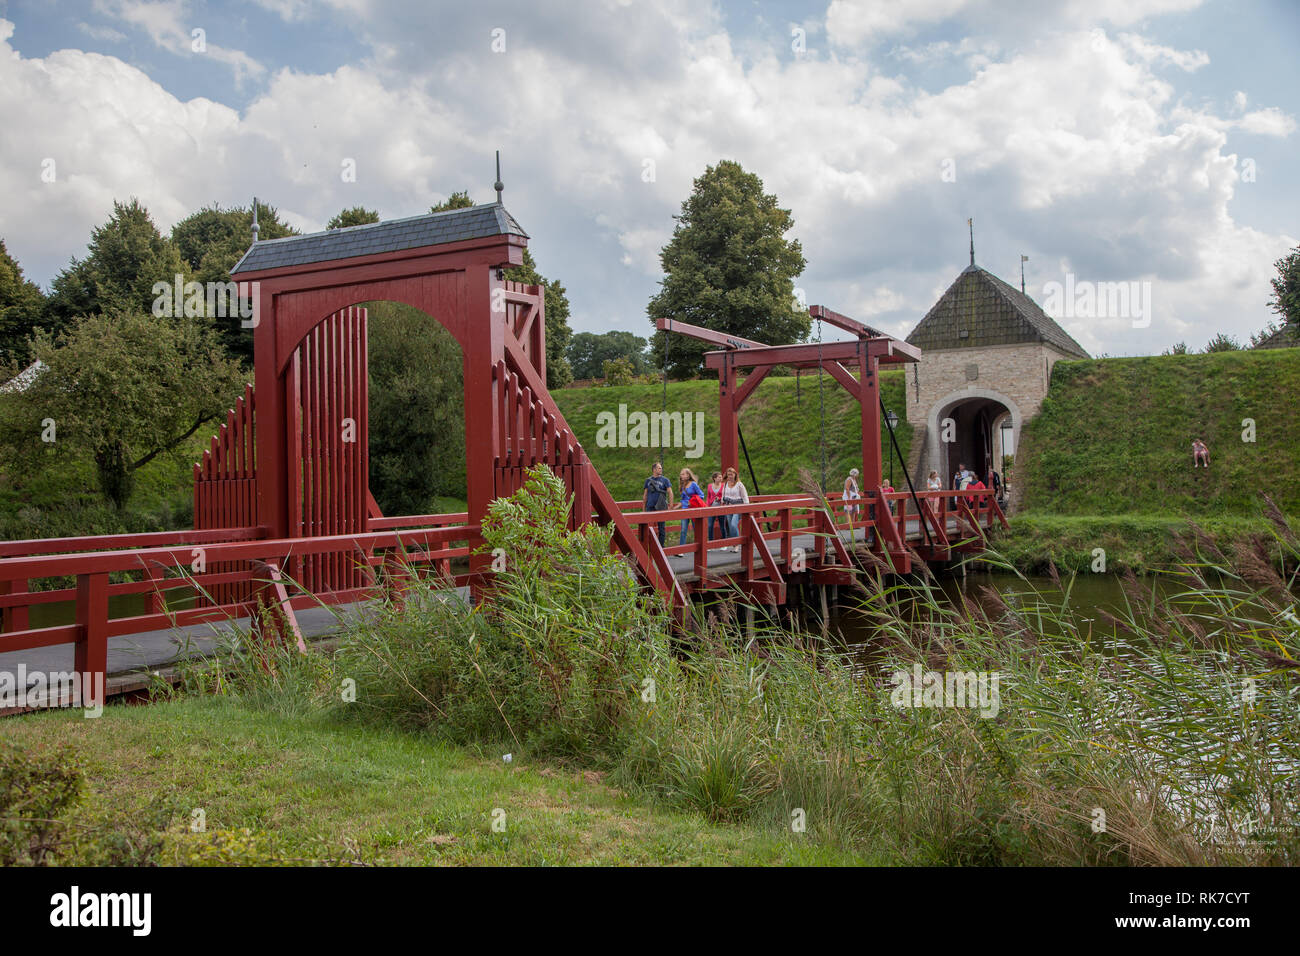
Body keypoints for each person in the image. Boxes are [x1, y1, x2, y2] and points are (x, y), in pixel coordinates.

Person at [720, 466, 750, 552]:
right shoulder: (725, 484)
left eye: (732, 474)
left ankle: (737, 544)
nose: (730, 476)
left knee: (733, 524)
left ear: (735, 475)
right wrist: (722, 503)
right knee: (730, 526)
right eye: (728, 474)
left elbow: (745, 496)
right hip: (728, 507)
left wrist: (747, 507)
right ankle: (734, 545)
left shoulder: (739, 484)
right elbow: (723, 495)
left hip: (738, 507)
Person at [643, 462, 672, 545]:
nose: (661, 469)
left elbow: (670, 492)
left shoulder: (665, 480)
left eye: (661, 468)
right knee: (647, 528)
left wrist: (670, 506)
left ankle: (661, 547)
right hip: (650, 506)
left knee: (661, 528)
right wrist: (643, 509)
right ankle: (648, 546)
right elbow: (645, 495)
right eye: (659, 468)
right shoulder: (648, 481)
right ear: (654, 469)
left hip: (660, 506)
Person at [674, 468, 705, 546]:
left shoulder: (693, 484)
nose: (682, 476)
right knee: (683, 529)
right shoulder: (682, 486)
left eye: (683, 474)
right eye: (681, 474)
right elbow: (683, 500)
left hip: (693, 509)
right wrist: (676, 507)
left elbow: (701, 495)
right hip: (684, 510)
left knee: (696, 529)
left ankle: (699, 547)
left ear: (688, 475)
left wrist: (691, 501)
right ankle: (681, 549)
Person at [706, 471, 726, 541]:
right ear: (714, 478)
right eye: (719, 477)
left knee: (722, 526)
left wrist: (720, 499)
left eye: (721, 477)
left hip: (721, 508)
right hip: (711, 508)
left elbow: (726, 496)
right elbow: (708, 497)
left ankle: (724, 542)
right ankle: (710, 542)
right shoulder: (709, 486)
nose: (721, 478)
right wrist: (707, 506)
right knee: (710, 525)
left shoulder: (724, 485)